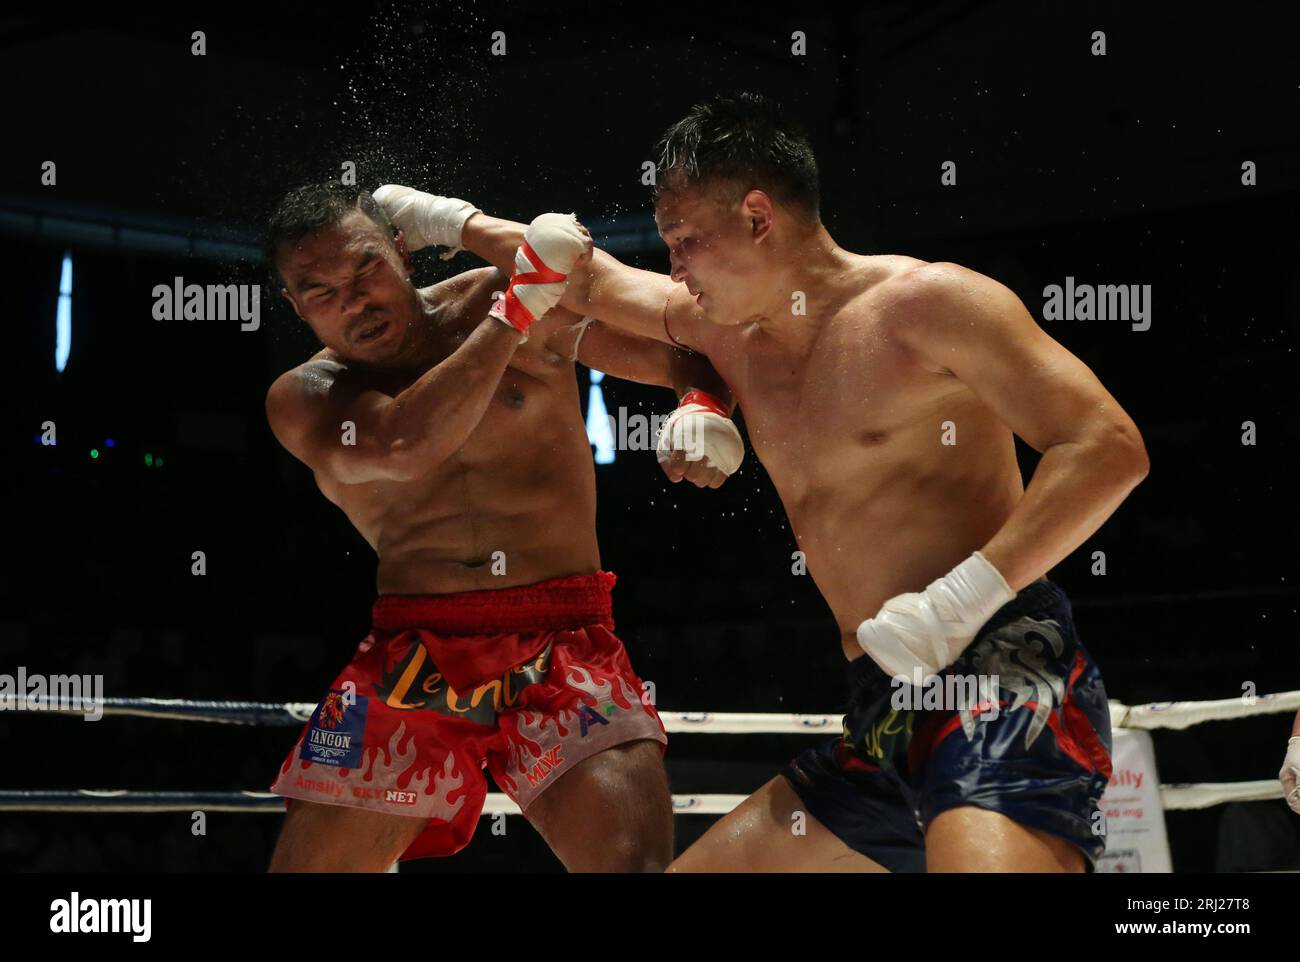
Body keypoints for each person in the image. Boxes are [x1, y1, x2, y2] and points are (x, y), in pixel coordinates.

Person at [410, 90, 1150, 872]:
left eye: (687, 239)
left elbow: (1106, 446)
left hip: (1001, 672)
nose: (676, 265)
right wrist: (441, 220)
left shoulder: (928, 303)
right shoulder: (727, 333)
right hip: (881, 707)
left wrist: (963, 597)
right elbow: (582, 280)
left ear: (759, 217)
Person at [261, 183, 743, 871]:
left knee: (631, 866)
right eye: (320, 291)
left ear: (402, 246)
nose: (355, 301)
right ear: (292, 305)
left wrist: (702, 404)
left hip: (563, 636)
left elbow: (679, 333)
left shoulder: (496, 295)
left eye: (365, 267)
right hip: (413, 656)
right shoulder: (305, 397)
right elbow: (405, 443)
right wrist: (518, 308)